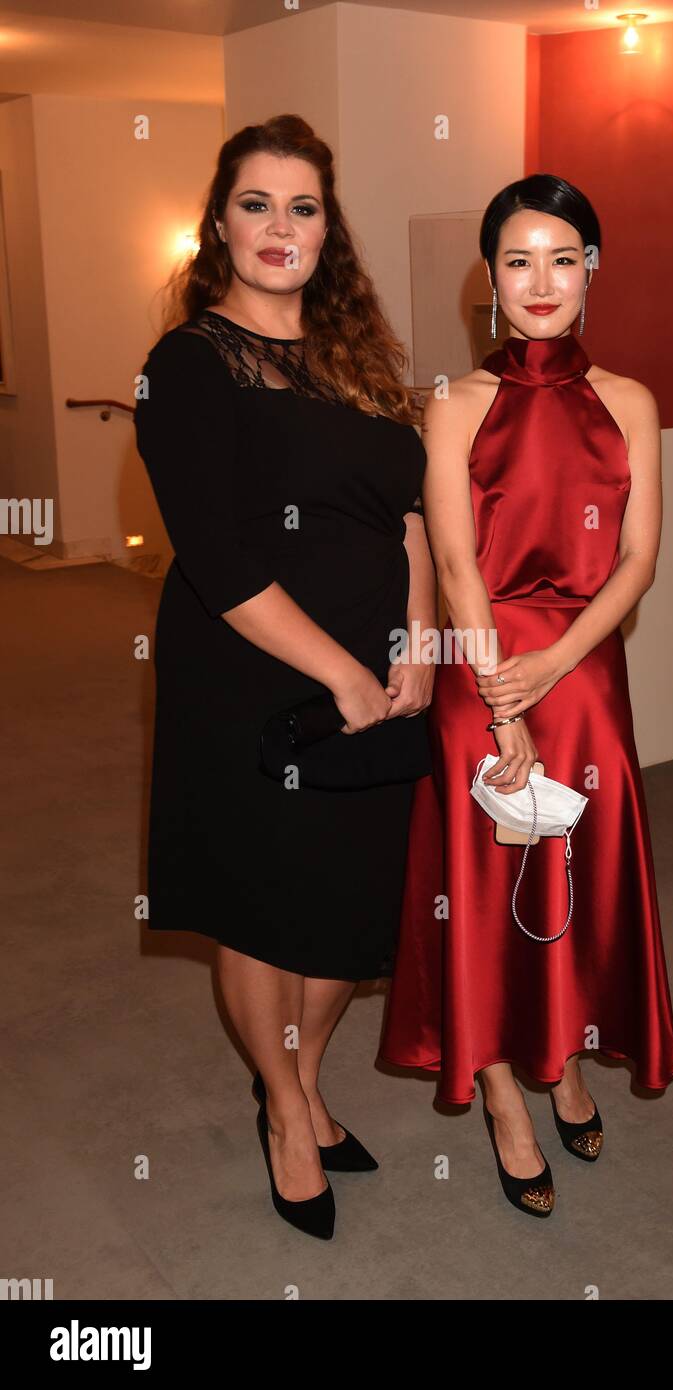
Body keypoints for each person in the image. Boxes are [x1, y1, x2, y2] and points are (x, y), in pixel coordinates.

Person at [133, 115, 436, 1240]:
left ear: (327, 230)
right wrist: (343, 676)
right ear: (220, 223)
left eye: (302, 207)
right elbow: (218, 560)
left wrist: (415, 638)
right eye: (256, 204)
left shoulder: (355, 360)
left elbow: (407, 513)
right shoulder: (186, 364)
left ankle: (302, 1085)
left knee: (344, 906)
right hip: (252, 672)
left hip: (375, 665)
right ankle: (285, 1107)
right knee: (264, 910)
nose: (279, 227)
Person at [379, 174, 673, 1219]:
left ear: (590, 268)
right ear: (492, 277)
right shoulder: (452, 404)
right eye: (518, 260)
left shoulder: (630, 401)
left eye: (562, 257)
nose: (540, 280)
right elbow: (459, 568)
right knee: (484, 889)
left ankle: (565, 1060)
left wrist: (557, 667)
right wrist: (502, 700)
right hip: (482, 673)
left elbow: (637, 560)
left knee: (576, 879)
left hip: (587, 673)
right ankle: (506, 1090)